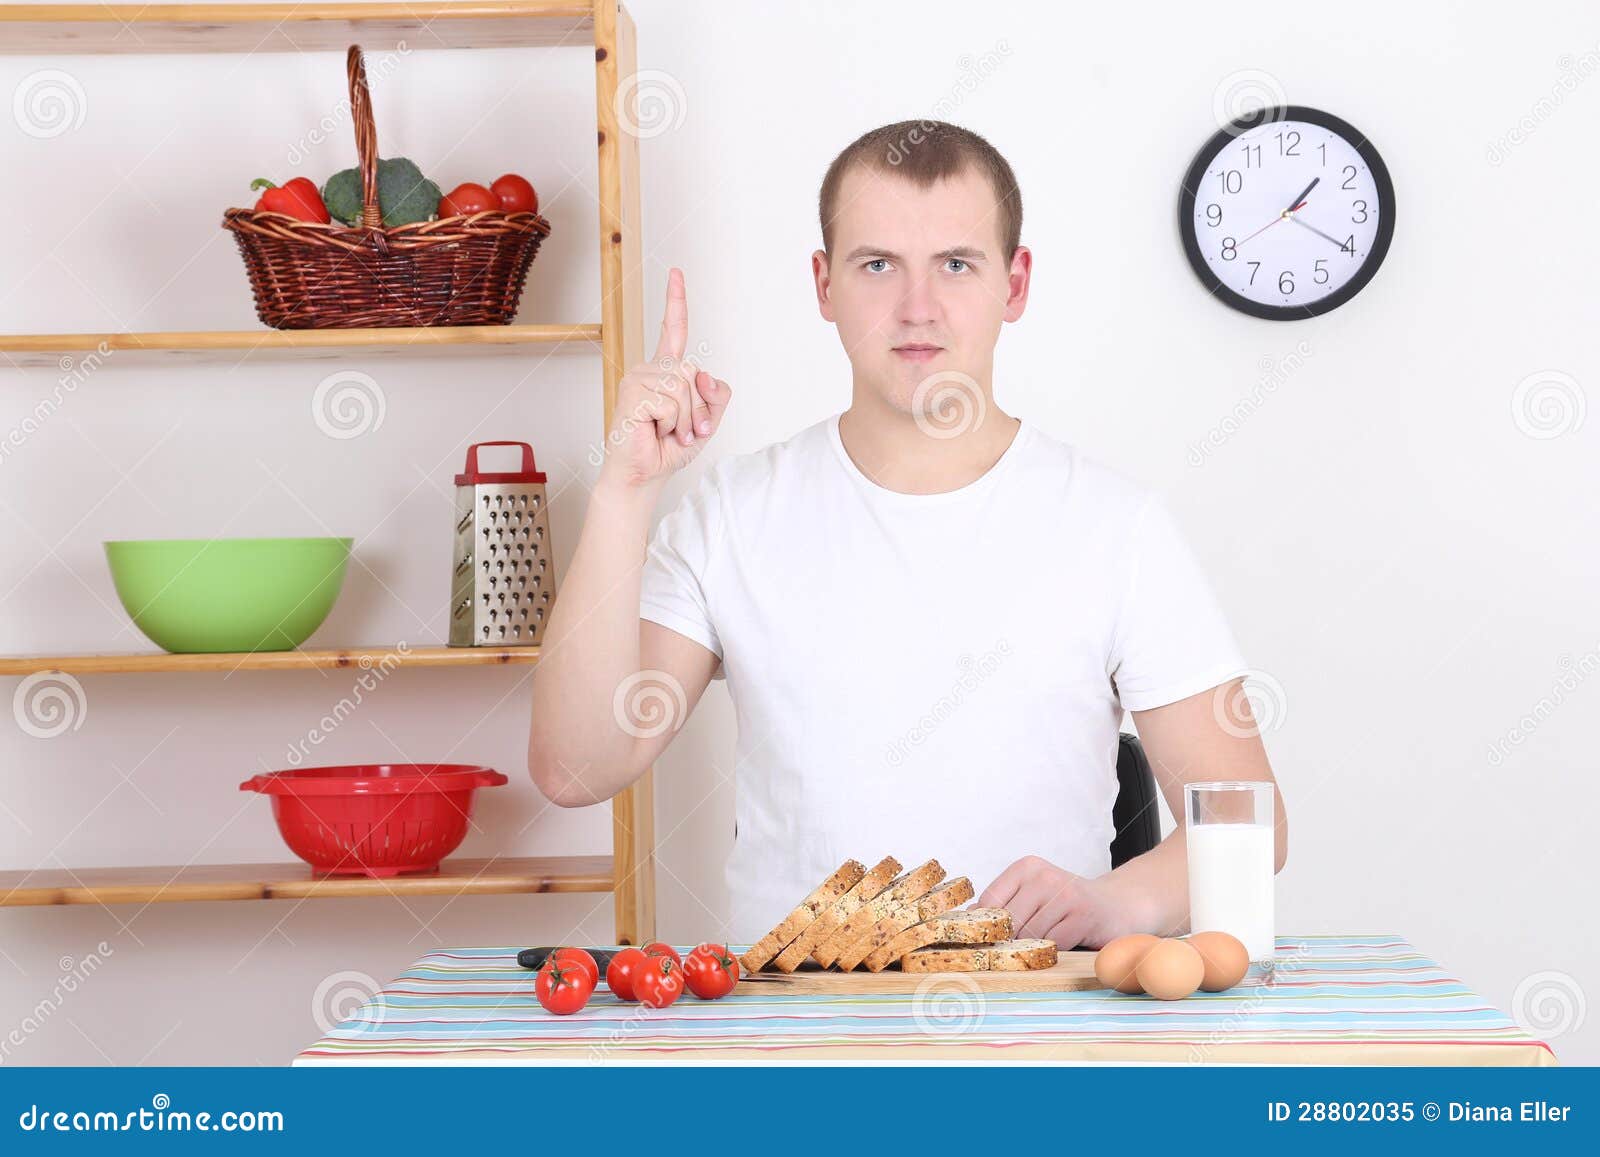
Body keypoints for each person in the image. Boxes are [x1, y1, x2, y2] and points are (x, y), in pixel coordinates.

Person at [528, 119, 1288, 950]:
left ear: (1016, 282)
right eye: (877, 264)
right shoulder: (730, 515)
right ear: (824, 285)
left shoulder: (1117, 527)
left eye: (956, 264)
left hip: (1037, 1020)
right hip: (795, 1026)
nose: (917, 308)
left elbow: (1250, 825)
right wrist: (622, 490)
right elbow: (576, 767)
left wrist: (1118, 902)